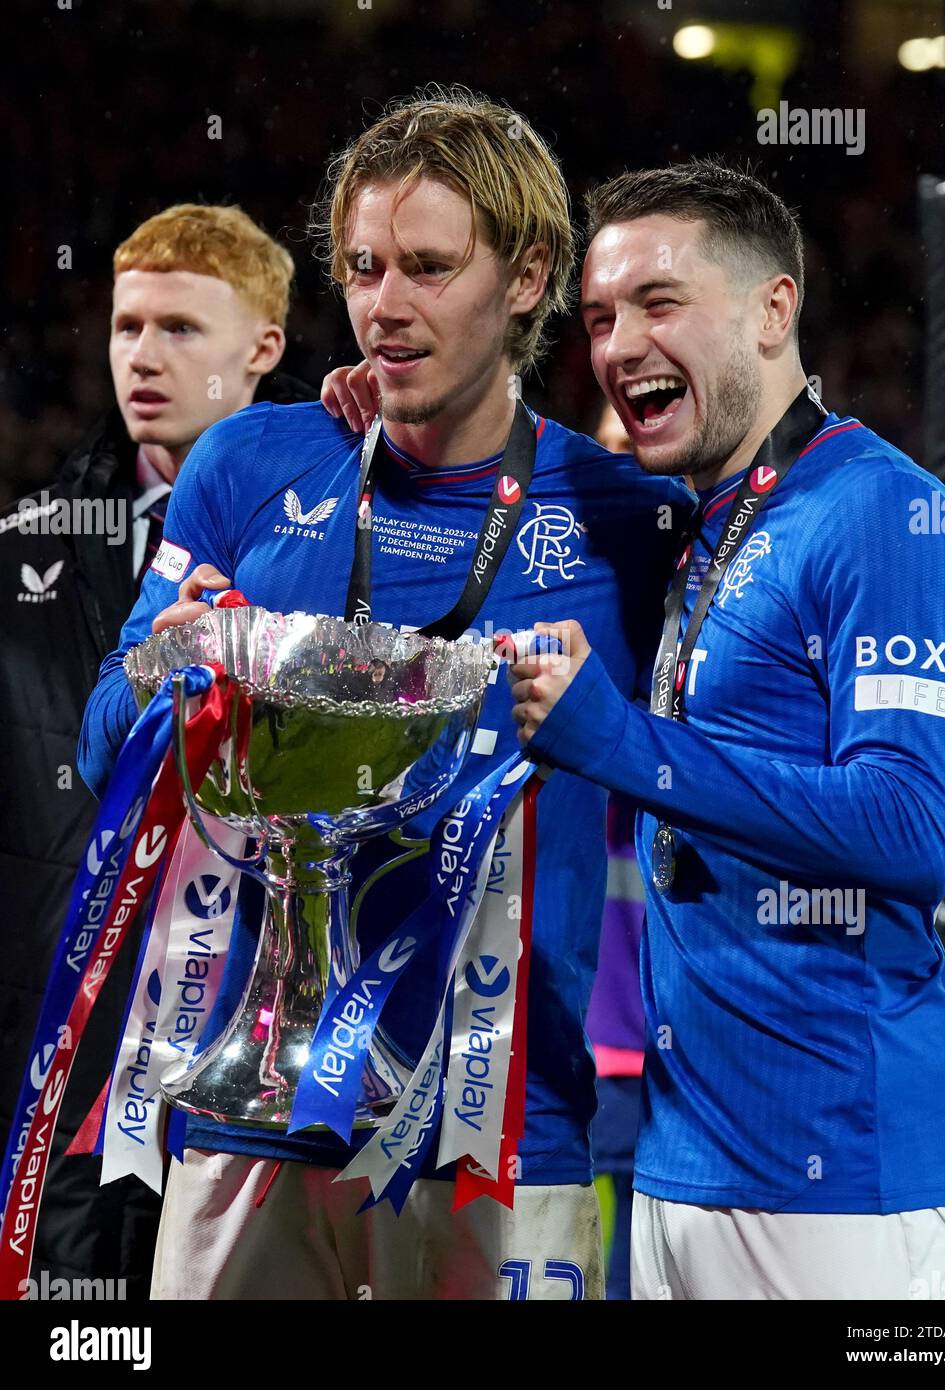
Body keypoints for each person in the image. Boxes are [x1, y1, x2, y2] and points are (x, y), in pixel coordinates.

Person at [78, 87, 687, 1301]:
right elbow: (106, 745)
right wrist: (187, 667)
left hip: (502, 1130)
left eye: (425, 267)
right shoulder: (251, 464)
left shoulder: (628, 521)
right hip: (246, 1117)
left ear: (526, 278)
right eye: (361, 268)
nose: (383, 307)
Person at [509, 159, 945, 1300]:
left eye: (658, 302)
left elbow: (913, 826)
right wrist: (368, 417)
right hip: (676, 1169)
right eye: (597, 317)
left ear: (773, 308)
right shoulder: (687, 527)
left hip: (853, 1180)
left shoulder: (885, 513)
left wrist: (620, 741)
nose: (619, 343)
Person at [1, 202, 303, 1298]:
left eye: (181, 328)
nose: (142, 355)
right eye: (128, 326)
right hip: (58, 1072)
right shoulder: (21, 557)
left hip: (247, 1067)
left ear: (262, 347)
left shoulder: (339, 554)